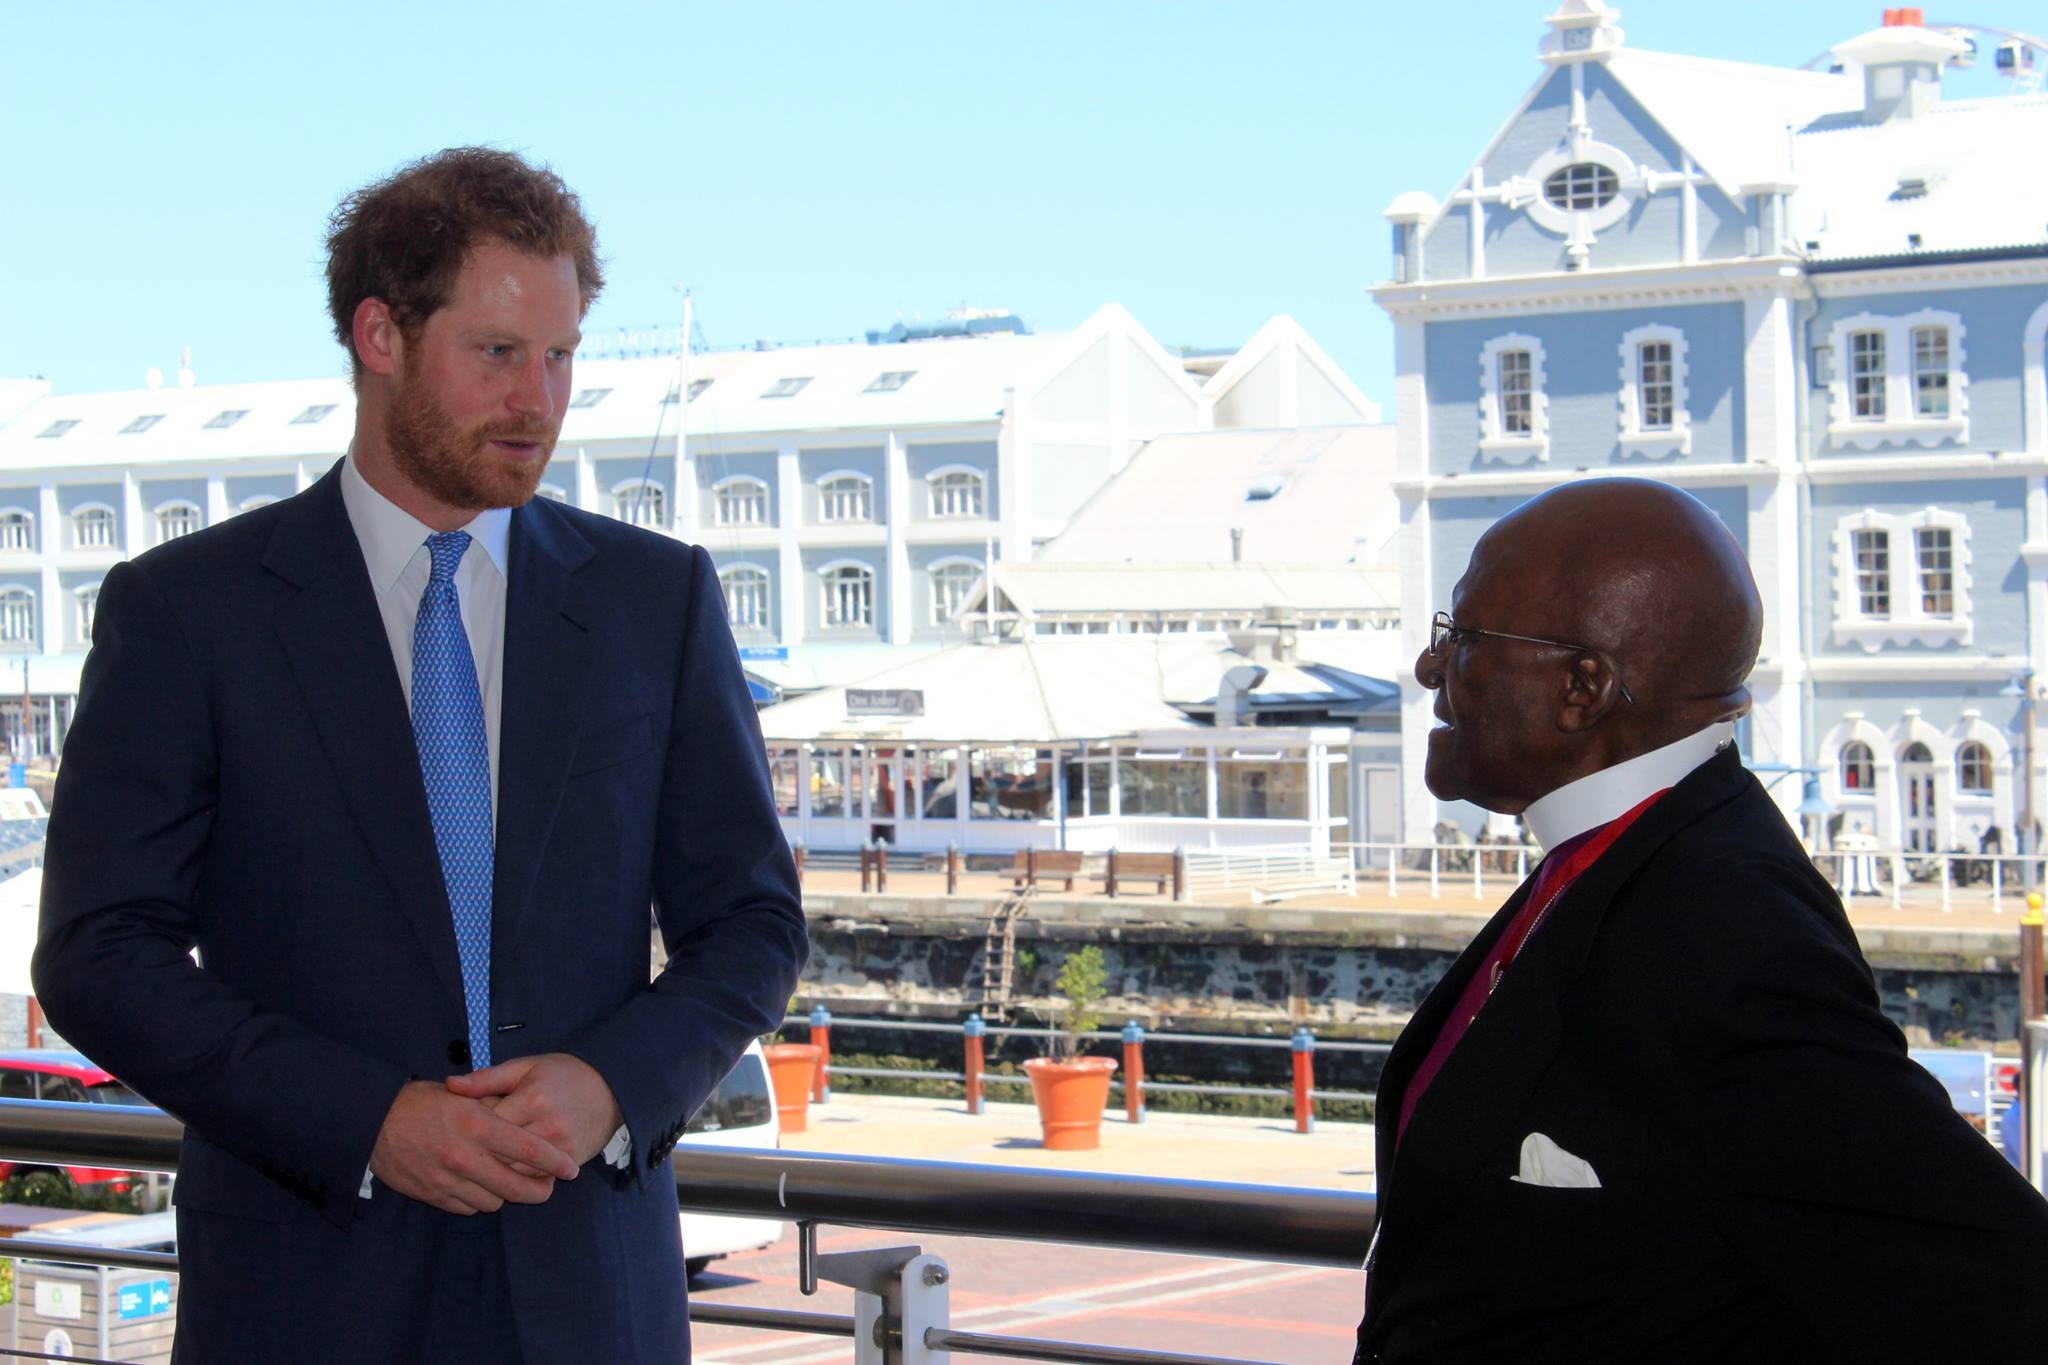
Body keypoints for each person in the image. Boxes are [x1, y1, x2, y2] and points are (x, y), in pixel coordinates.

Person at [32, 148, 807, 1364]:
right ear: (380, 337)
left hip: (591, 1298)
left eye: (560, 357)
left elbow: (752, 925)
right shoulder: (190, 611)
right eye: (498, 354)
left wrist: (610, 1084)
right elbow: (97, 954)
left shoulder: (655, 603)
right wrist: (365, 1120)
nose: (538, 400)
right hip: (303, 1296)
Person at [1355, 479, 2048, 1365]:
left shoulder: (1726, 928)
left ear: (1584, 688)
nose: (1429, 666)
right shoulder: (1623, 858)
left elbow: (1991, 1283)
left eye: (1463, 636)